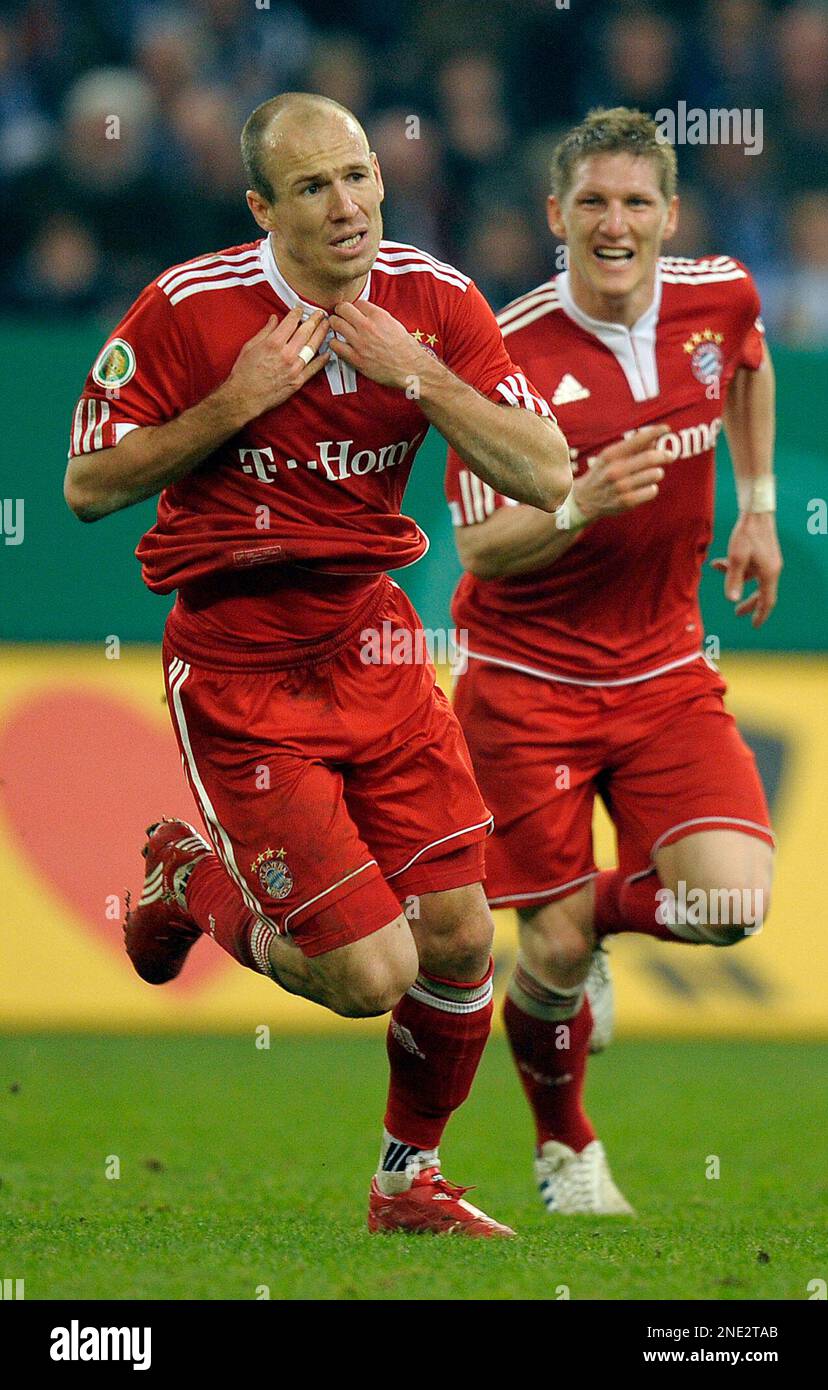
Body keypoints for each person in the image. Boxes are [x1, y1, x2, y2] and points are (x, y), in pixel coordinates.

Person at [64, 93, 571, 1236]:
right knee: (366, 977)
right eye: (311, 188)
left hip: (374, 646)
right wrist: (232, 403)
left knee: (460, 936)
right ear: (261, 207)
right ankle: (185, 876)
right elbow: (88, 487)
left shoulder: (432, 302)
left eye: (358, 176)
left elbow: (547, 472)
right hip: (242, 668)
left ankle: (409, 1184)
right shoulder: (190, 311)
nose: (346, 206)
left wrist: (421, 378)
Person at [445, 107, 781, 1215]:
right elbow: (482, 546)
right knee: (541, 955)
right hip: (525, 685)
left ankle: (588, 915)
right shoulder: (507, 352)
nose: (616, 221)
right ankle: (567, 1149)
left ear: (670, 214)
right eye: (592, 200)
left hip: (666, 673)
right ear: (555, 214)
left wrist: (760, 505)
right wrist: (581, 502)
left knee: (732, 904)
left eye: (637, 201)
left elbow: (749, 364)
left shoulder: (718, 293)